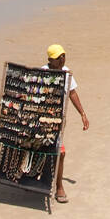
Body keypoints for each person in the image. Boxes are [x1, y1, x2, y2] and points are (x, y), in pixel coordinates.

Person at [46, 44, 89, 204]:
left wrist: (82, 114)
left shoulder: (66, 73)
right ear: (50, 60)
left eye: (64, 56)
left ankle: (59, 187)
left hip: (58, 122)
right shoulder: (43, 73)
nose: (62, 60)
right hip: (43, 120)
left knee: (60, 154)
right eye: (59, 58)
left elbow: (72, 92)